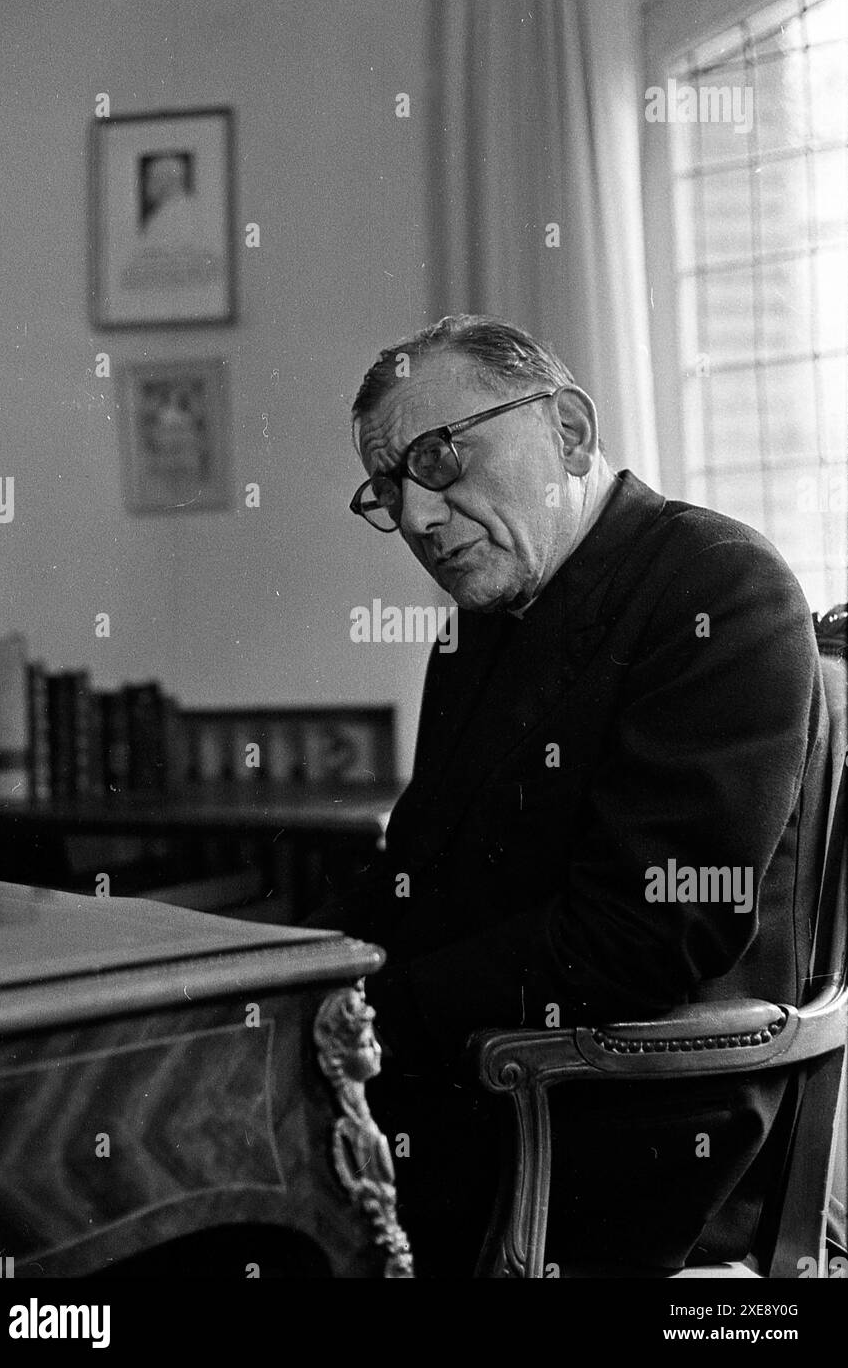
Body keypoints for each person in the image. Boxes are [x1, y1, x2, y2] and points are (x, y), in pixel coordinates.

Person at [308, 314, 829, 1278]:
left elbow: (648, 933)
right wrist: (278, 971)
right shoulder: (479, 630)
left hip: (632, 1120)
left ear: (571, 433)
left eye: (439, 459)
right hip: (484, 1080)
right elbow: (418, 880)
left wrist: (358, 1012)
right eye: (388, 488)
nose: (418, 517)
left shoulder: (719, 586)